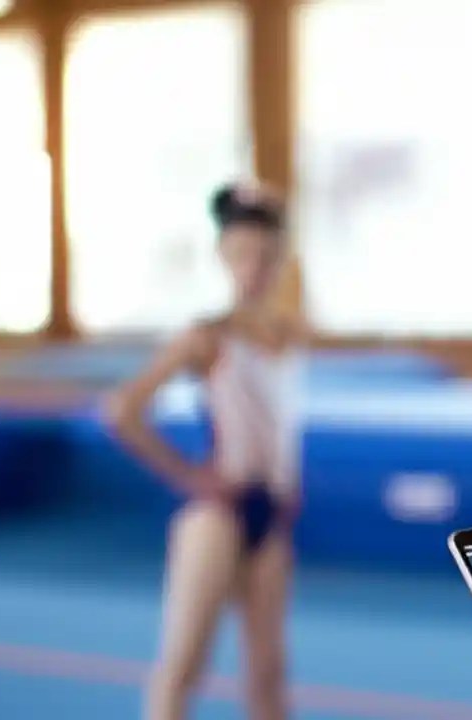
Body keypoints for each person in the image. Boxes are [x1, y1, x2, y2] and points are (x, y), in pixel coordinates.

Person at [107, 181, 306, 720]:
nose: (254, 268)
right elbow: (123, 410)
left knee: (268, 673)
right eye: (242, 255)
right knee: (184, 665)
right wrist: (189, 475)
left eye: (266, 256)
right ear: (223, 257)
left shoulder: (288, 333)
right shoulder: (207, 335)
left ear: (282, 260)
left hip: (272, 511)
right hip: (219, 512)